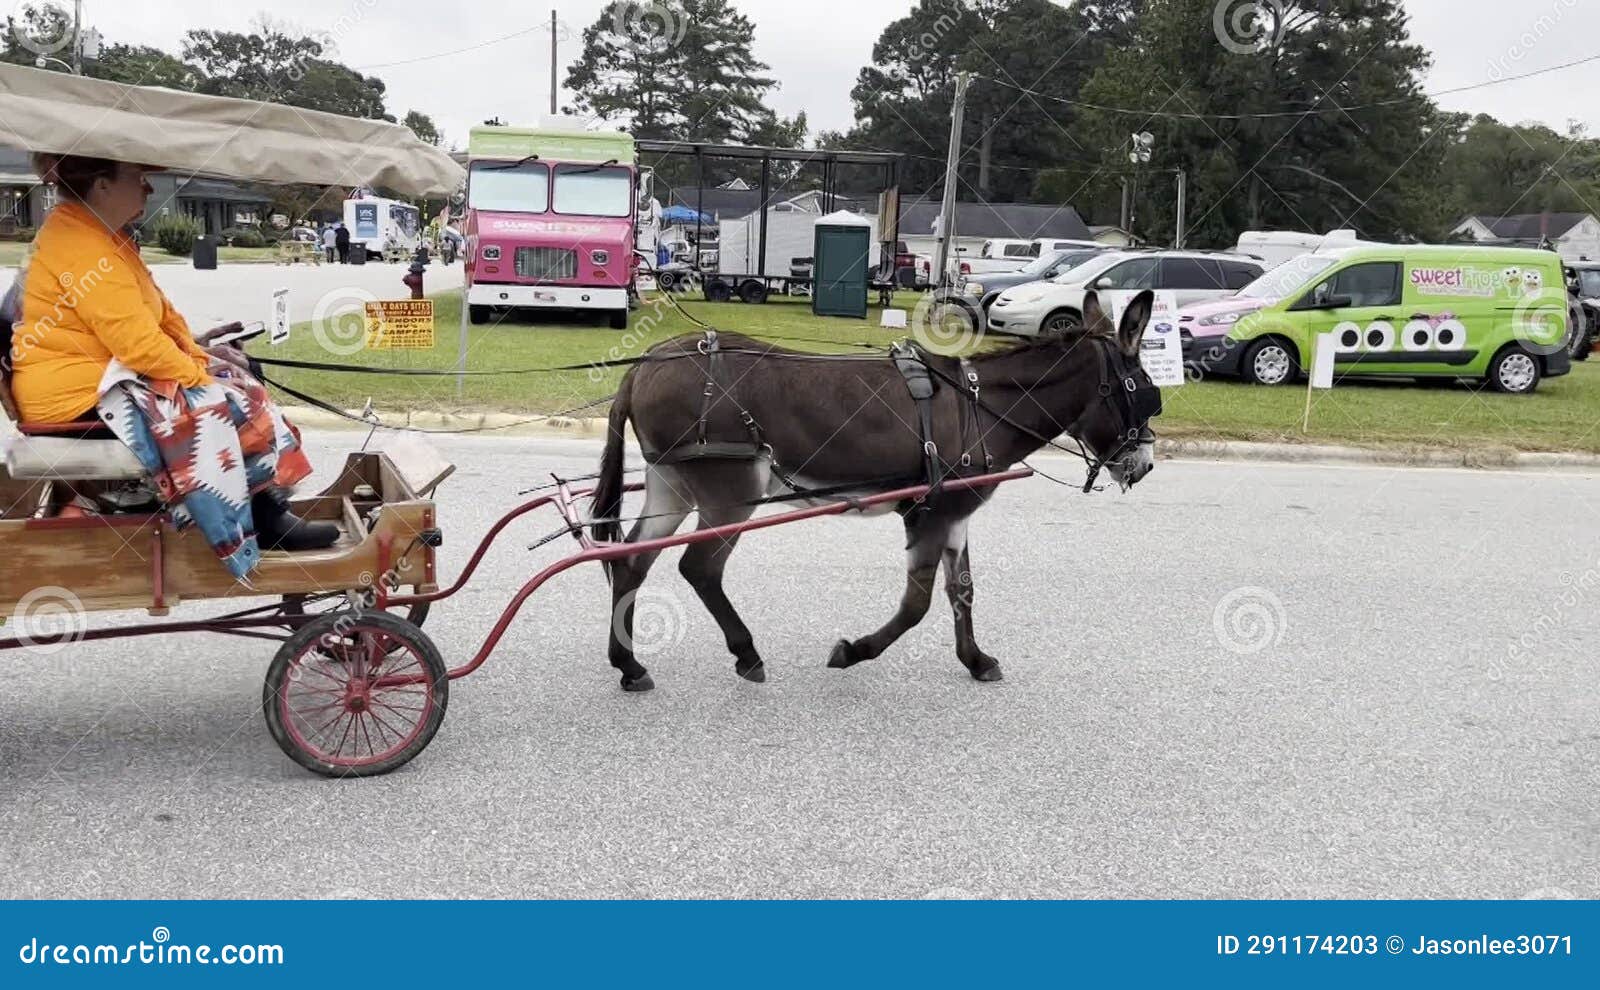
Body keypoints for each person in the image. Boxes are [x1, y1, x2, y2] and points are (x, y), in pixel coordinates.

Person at [9, 152, 338, 577]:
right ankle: (250, 526)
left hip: (95, 381)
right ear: (101, 184)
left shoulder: (101, 235)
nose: (147, 187)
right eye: (138, 175)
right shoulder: (81, 244)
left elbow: (165, 319)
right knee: (227, 400)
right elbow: (138, 345)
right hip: (74, 398)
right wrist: (200, 378)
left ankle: (265, 510)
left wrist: (200, 359)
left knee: (235, 379)